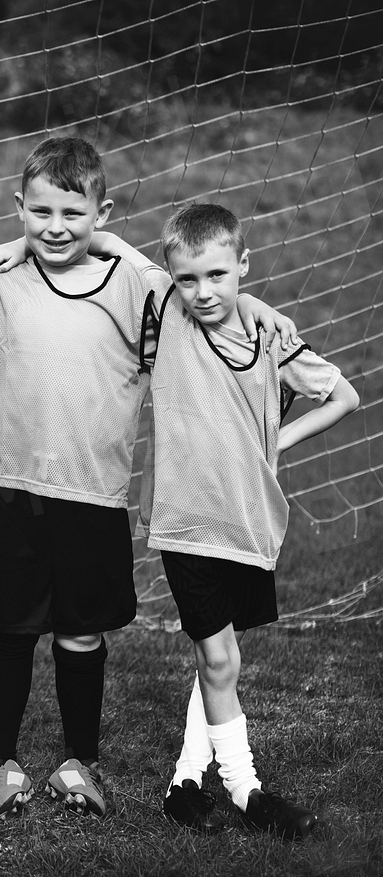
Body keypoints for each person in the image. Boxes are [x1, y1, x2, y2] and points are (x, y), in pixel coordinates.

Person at [0, 136, 294, 822]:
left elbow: (203, 286)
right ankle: (0, 765)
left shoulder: (138, 285)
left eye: (75, 214)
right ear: (20, 208)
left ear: (101, 212)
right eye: (41, 211)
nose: (56, 227)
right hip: (9, 487)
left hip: (95, 490)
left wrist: (124, 248)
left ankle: (81, 762)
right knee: (12, 629)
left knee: (81, 633)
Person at [141, 203, 357, 838]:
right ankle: (245, 788)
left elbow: (341, 395)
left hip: (249, 521)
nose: (202, 292)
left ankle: (185, 781)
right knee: (219, 655)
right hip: (184, 521)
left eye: (217, 276)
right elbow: (109, 245)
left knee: (220, 654)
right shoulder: (166, 312)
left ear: (243, 265)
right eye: (187, 278)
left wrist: (276, 442)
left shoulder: (270, 334)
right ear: (172, 276)